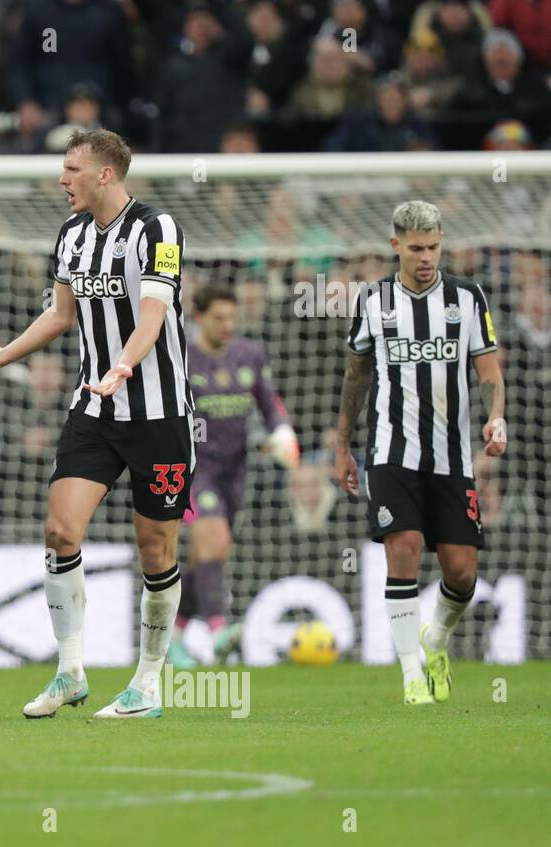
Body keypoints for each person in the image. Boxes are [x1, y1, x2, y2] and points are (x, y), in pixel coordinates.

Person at [0, 129, 193, 720]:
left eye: (71, 169)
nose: (63, 180)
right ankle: (70, 672)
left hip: (159, 413)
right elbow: (60, 314)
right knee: (61, 533)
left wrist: (123, 365)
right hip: (94, 406)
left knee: (155, 548)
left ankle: (147, 681)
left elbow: (154, 315)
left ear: (105, 173)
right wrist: (2, 355)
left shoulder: (157, 230)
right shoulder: (71, 235)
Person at [334, 200, 505, 705]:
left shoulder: (468, 299)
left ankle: (436, 640)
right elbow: (356, 374)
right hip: (391, 452)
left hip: (453, 458)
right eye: (416, 248)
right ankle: (411, 674)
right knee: (402, 549)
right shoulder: (374, 301)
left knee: (461, 573)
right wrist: (343, 445)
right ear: (396, 247)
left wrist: (496, 417)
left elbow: (490, 372)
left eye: (433, 247)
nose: (426, 257)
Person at [171, 282, 299, 666]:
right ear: (199, 319)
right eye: (218, 318)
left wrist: (280, 434)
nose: (227, 325)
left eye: (232, 317)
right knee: (213, 539)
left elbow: (270, 403)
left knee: (209, 554)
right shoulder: (182, 359)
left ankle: (173, 636)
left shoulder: (249, 355)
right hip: (192, 470)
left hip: (235, 471)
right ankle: (217, 629)